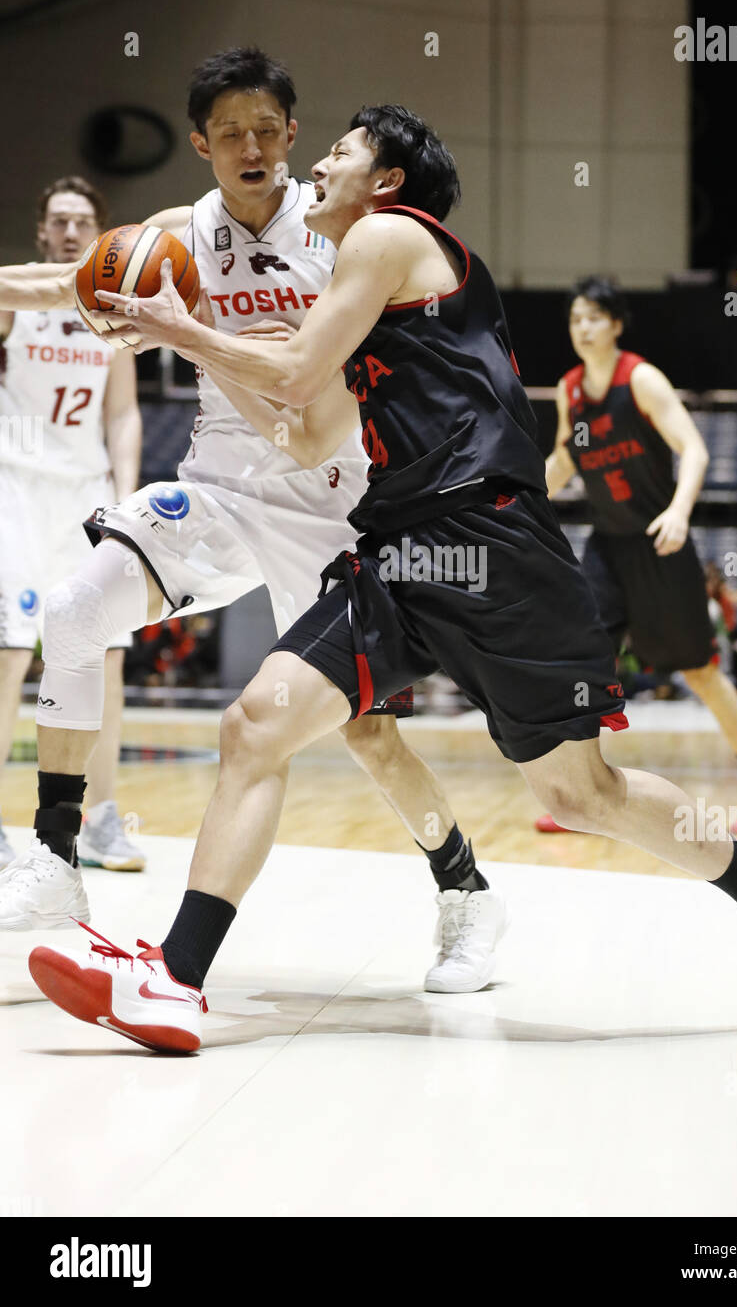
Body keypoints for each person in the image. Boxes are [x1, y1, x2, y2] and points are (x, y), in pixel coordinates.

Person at [28, 105, 737, 1050]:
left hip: (495, 543)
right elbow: (298, 432)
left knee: (580, 796)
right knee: (255, 723)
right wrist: (195, 335)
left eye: (340, 153)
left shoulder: (390, 236)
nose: (318, 167)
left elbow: (293, 376)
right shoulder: (365, 307)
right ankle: (174, 979)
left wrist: (186, 329)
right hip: (400, 551)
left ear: (385, 182)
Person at [0, 52, 504, 995]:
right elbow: (57, 284)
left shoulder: (346, 237)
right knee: (70, 613)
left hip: (334, 509)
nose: (253, 146)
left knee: (369, 738)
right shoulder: (172, 235)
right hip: (221, 494)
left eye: (269, 128)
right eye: (230, 131)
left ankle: (466, 888)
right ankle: (56, 862)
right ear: (200, 143)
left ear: (293, 135)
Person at [538, 277, 737, 836]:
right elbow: (564, 459)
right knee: (582, 658)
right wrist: (524, 498)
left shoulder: (641, 380)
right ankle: (580, 794)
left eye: (594, 318)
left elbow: (693, 448)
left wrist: (679, 510)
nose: (583, 328)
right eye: (576, 319)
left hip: (660, 541)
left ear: (617, 324)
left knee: (698, 670)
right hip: (607, 547)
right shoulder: (570, 391)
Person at [0, 177, 143, 871]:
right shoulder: (16, 297)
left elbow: (122, 413)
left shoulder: (111, 308)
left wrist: (126, 498)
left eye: (82, 220)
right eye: (57, 220)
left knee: (103, 657)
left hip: (86, 496)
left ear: (100, 232)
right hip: (17, 488)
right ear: (41, 231)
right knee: (8, 653)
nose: (68, 231)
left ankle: (103, 818)